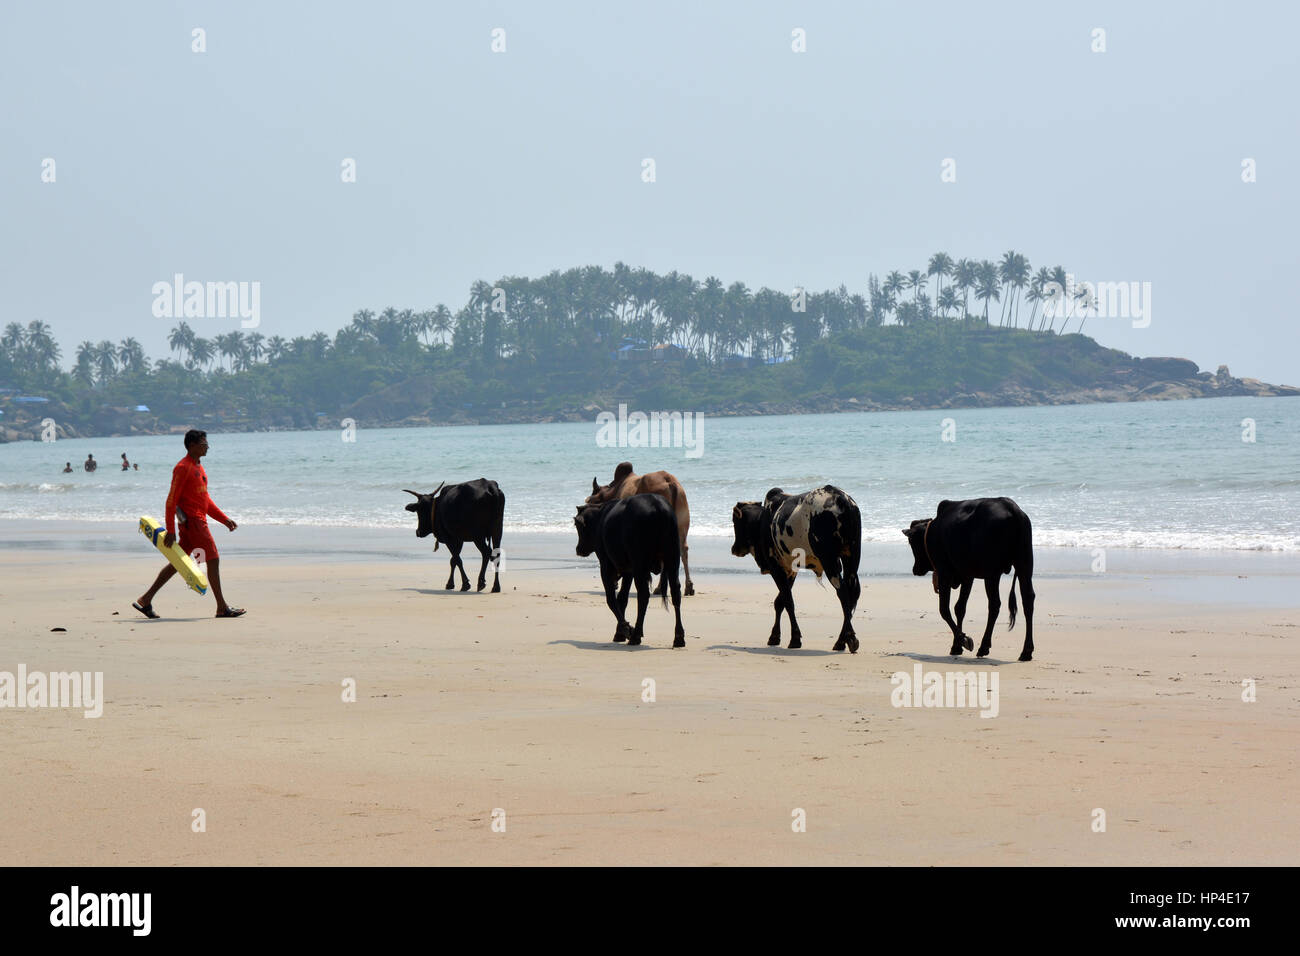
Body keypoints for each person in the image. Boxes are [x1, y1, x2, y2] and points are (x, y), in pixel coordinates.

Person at [133, 429, 245, 619]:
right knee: (213, 559)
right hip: (194, 523)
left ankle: (145, 600)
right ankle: (221, 607)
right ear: (192, 445)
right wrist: (170, 530)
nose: (207, 446)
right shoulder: (182, 467)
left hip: (195, 522)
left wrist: (224, 519)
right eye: (203, 442)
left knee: (178, 562)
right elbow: (171, 500)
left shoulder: (198, 467)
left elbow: (205, 500)